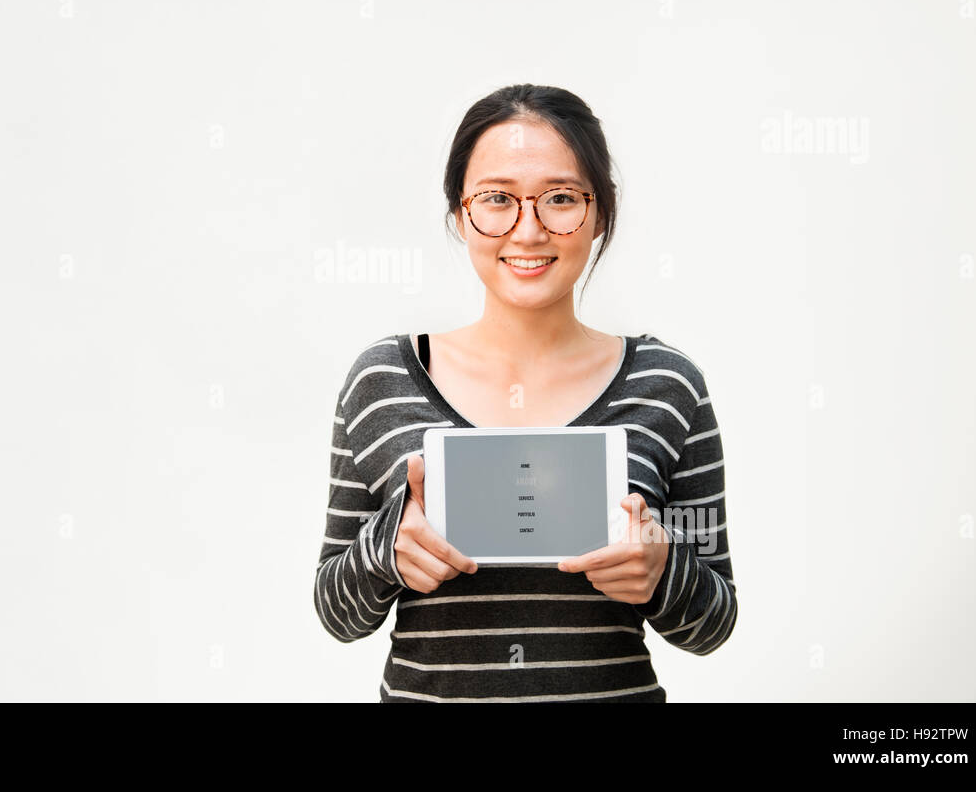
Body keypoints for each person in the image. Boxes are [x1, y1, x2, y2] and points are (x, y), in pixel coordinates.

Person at [313, 83, 737, 702]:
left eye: (560, 198)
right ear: (460, 215)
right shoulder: (383, 380)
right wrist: (386, 550)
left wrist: (663, 568)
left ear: (598, 214)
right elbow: (336, 613)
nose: (528, 229)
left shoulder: (667, 384)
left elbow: (713, 625)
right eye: (497, 199)